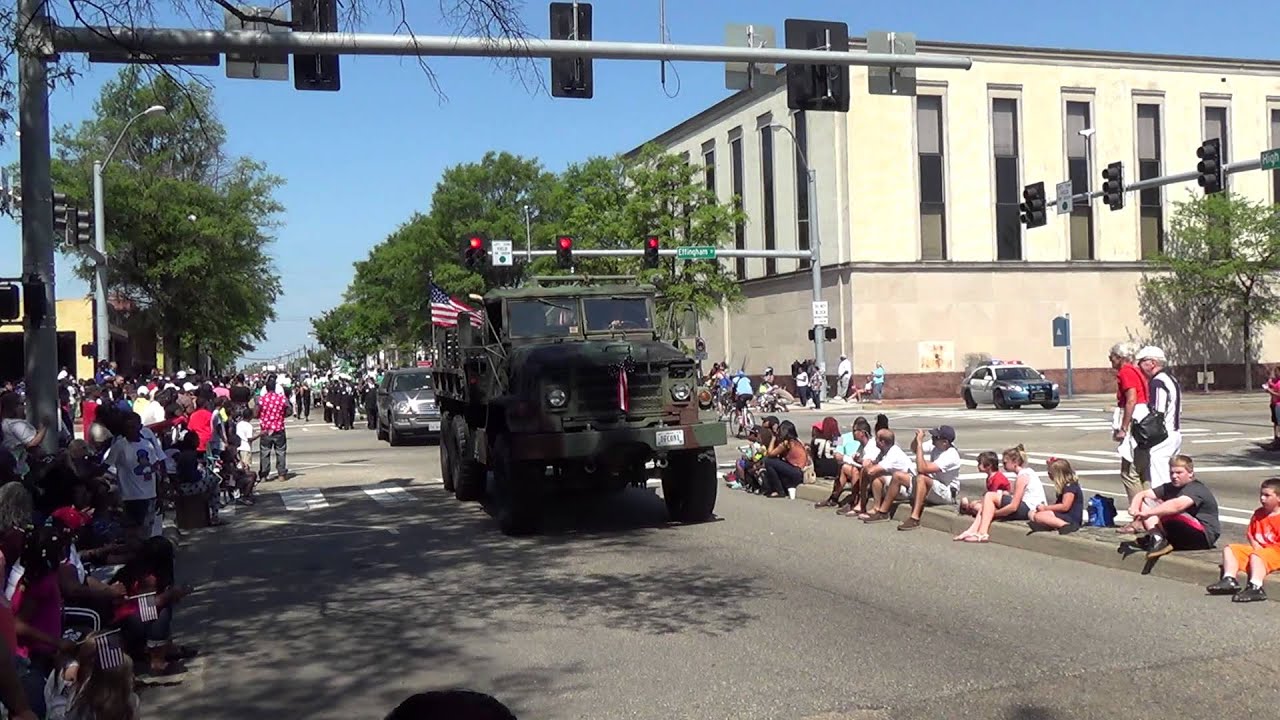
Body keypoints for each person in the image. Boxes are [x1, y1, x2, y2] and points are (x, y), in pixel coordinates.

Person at [1128, 454, 1220, 560]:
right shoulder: (1170, 487)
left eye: (1179, 473)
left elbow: (1177, 505)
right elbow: (1143, 494)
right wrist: (1134, 509)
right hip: (1182, 529)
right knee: (1147, 500)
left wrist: (1149, 513)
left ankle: (1164, 539)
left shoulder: (1196, 488)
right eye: (1172, 473)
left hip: (1203, 536)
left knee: (1169, 511)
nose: (1174, 476)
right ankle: (1157, 537)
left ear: (1190, 473)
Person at [1206, 477, 1280, 602]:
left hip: (1275, 553)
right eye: (1261, 494)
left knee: (1257, 556)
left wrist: (1259, 553)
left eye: (1267, 495)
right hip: (1260, 552)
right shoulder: (1258, 513)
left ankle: (1256, 587)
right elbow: (1251, 534)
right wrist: (1256, 547)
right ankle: (1229, 579)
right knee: (1231, 549)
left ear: (1279, 498)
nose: (1262, 498)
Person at [1028, 458, 1084, 533]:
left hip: (1070, 517)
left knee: (1039, 516)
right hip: (1063, 515)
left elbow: (1065, 506)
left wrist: (1045, 508)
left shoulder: (1070, 486)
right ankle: (1051, 525)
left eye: (1050, 473)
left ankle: (1066, 525)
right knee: (1031, 513)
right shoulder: (1064, 486)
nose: (1049, 476)